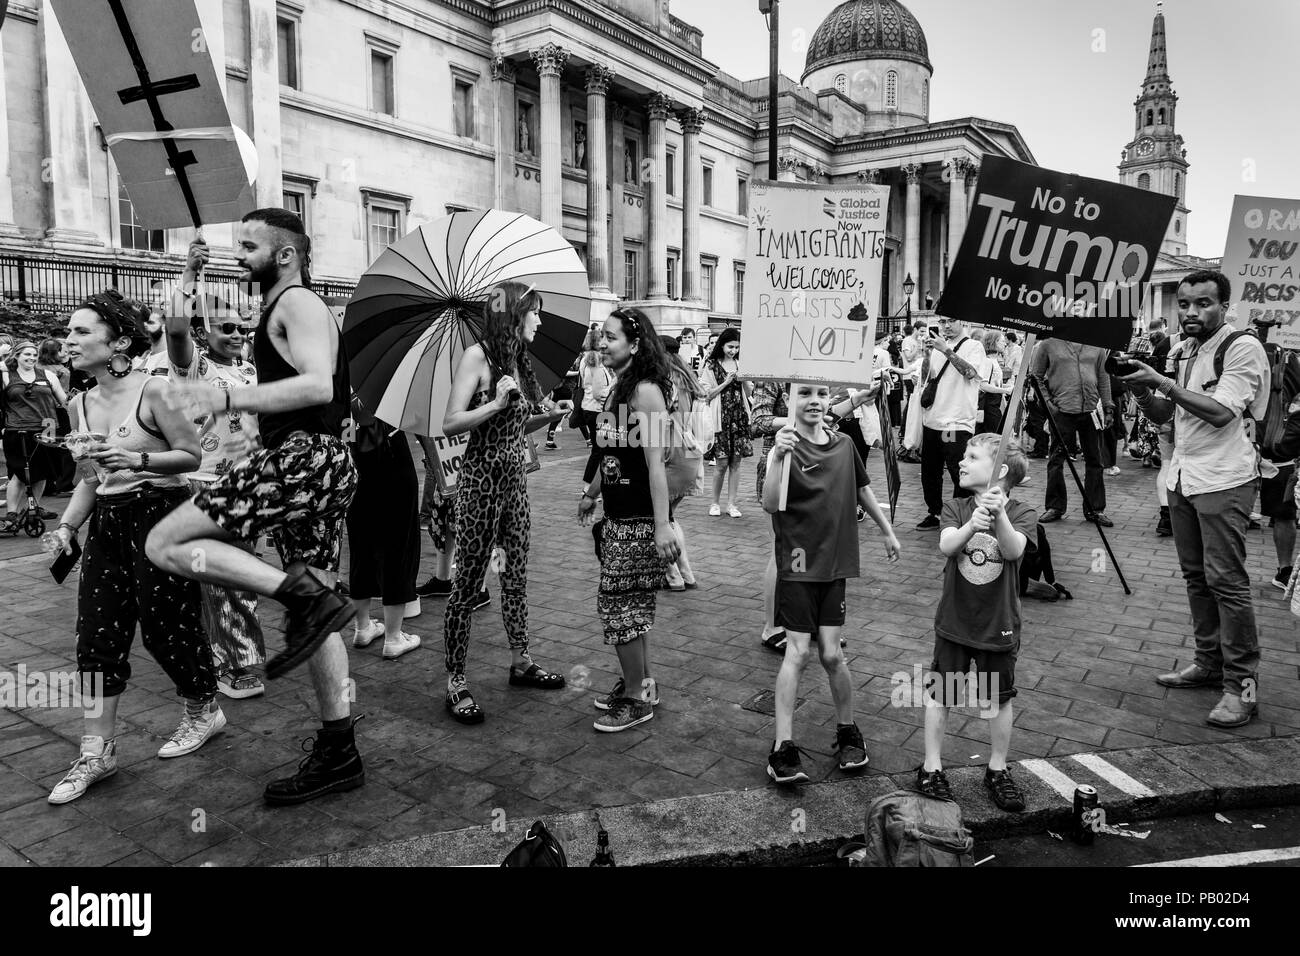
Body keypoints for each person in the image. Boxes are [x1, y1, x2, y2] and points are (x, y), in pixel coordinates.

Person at [145, 207, 365, 805]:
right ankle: (339, 749)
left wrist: (223, 397)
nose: (237, 255)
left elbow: (319, 384)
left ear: (285, 254)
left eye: (247, 246)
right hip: (312, 465)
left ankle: (302, 597)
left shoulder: (297, 302)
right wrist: (186, 279)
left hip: (304, 461)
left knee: (164, 543)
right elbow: (178, 334)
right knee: (320, 623)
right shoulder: (280, 308)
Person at [47, 291, 221, 805]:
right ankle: (97, 751)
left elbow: (190, 456)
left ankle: (203, 707)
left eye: (81, 332)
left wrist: (138, 461)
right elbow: (89, 477)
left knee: (168, 629)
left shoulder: (156, 391)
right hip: (108, 523)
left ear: (119, 341)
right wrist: (66, 528)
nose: (69, 341)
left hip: (160, 517)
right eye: (69, 332)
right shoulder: (79, 401)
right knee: (97, 634)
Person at [1120, 270, 1269, 728]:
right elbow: (1170, 412)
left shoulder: (1241, 348)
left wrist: (1161, 383)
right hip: (1184, 476)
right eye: (1184, 304)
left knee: (1227, 581)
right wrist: (1143, 390)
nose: (1190, 312)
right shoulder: (1184, 350)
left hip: (1224, 478)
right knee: (1196, 577)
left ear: (1224, 305)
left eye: (1202, 304)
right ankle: (1208, 663)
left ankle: (1242, 688)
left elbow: (1223, 413)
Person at [439, 280, 570, 724]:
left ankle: (520, 660)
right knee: (469, 585)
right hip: (479, 483)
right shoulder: (478, 357)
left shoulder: (519, 360)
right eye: (534, 311)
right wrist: (495, 403)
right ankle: (455, 680)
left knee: (515, 575)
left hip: (514, 482)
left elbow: (514, 431)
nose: (540, 319)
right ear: (513, 314)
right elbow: (451, 422)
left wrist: (545, 417)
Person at [762, 381, 901, 784]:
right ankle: (782, 747)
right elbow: (770, 503)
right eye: (804, 394)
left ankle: (848, 729)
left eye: (821, 394)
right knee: (798, 652)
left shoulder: (843, 445)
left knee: (832, 655)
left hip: (835, 565)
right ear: (790, 400)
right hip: (798, 565)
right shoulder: (783, 447)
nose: (814, 402)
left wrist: (886, 529)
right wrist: (776, 457)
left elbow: (862, 490)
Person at [161, 240, 268, 700]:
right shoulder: (193, 369)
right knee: (220, 577)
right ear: (207, 332)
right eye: (226, 327)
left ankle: (228, 656)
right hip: (205, 487)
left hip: (248, 487)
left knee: (233, 576)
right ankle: (234, 664)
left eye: (241, 327)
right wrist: (189, 273)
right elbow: (175, 330)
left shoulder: (251, 371)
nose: (237, 334)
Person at [918, 433, 1035, 811]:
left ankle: (997, 769)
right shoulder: (956, 507)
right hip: (954, 622)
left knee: (997, 700)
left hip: (997, 625)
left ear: (999, 470)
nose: (962, 462)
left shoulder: (1021, 513)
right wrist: (973, 523)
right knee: (942, 694)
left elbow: (1014, 550)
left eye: (971, 457)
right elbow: (948, 545)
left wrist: (998, 516)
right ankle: (931, 766)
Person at [579, 309, 678, 731]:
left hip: (639, 517)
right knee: (628, 607)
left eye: (611, 337)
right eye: (602, 336)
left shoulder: (646, 392)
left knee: (618, 607)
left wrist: (662, 526)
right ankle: (641, 685)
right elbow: (609, 452)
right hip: (617, 514)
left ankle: (637, 698)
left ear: (634, 344)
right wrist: (591, 494)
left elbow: (656, 466)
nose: (603, 343)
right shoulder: (617, 388)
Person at [345, 397, 422, 661]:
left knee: (360, 546)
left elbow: (347, 428)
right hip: (390, 458)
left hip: (354, 463)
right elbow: (413, 417)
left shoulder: (337, 377)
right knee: (398, 548)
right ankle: (393, 636)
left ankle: (362, 626)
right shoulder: (382, 379)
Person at [1031, 337, 1115, 527]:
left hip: (1091, 409)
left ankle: (1095, 509)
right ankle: (1055, 506)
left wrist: (1108, 406)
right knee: (1056, 459)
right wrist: (1049, 405)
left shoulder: (1097, 346)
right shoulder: (1048, 344)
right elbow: (1035, 376)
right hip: (1061, 410)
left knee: (1095, 460)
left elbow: (1103, 377)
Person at [916, 317, 985, 529]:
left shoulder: (974, 346)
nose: (946, 326)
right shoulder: (937, 347)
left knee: (959, 471)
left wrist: (946, 350)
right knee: (930, 471)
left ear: (963, 322)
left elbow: (971, 373)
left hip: (955, 423)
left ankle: (959, 514)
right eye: (943, 321)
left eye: (951, 321)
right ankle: (935, 512)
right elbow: (927, 378)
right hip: (932, 420)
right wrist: (927, 355)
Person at [2, 339, 67, 527]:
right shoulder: (7, 375)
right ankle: (12, 514)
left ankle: (34, 507)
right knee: (19, 473)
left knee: (43, 471)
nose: (31, 358)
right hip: (17, 428)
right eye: (27, 354)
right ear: (17, 356)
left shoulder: (47, 374)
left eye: (34, 355)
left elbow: (64, 400)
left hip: (47, 426)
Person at [661, 334, 701, 590]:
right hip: (689, 451)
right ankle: (685, 573)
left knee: (657, 518)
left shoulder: (665, 381)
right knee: (669, 516)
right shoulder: (686, 377)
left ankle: (673, 575)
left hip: (671, 452)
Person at [699, 327, 753, 517]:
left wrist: (745, 379)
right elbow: (706, 394)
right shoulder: (712, 365)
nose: (733, 351)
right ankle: (714, 502)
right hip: (720, 418)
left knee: (736, 463)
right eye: (730, 347)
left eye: (737, 347)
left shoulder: (740, 364)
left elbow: (748, 393)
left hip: (739, 417)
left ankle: (732, 504)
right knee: (721, 463)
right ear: (722, 345)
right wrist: (726, 382)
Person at [975, 329, 1014, 436]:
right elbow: (983, 385)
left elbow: (993, 382)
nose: (1005, 343)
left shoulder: (994, 361)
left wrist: (1007, 386)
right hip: (989, 404)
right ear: (994, 342)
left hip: (994, 403)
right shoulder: (988, 361)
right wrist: (1005, 390)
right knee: (993, 435)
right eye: (1001, 341)